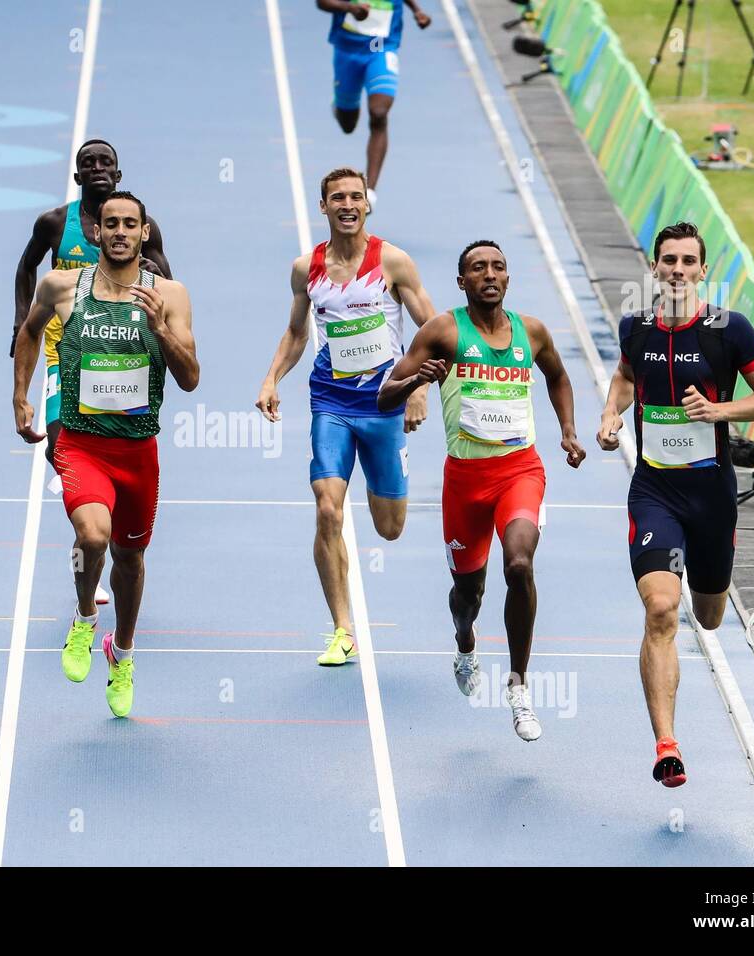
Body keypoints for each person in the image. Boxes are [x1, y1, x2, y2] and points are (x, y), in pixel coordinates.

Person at [597, 221, 754, 786]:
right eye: (668, 260)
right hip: (655, 490)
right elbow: (626, 377)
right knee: (660, 609)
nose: (677, 270)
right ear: (655, 267)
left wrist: (718, 413)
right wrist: (611, 415)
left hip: (712, 495)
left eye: (687, 262)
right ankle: (667, 745)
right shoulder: (636, 328)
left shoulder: (731, 330)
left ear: (703, 270)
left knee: (708, 615)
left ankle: (713, 566)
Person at [379, 240, 586, 740]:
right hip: (465, 483)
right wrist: (416, 382)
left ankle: (517, 684)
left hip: (520, 471)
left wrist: (567, 431)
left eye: (497, 267)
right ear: (462, 281)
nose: (488, 274)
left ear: (508, 278)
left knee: (519, 563)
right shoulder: (444, 331)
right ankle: (465, 641)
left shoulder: (531, 332)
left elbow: (558, 376)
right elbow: (386, 395)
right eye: (477, 268)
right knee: (467, 593)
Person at [13, 192, 198, 718]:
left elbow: (190, 379)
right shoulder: (62, 287)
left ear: (145, 234)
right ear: (95, 232)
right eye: (110, 223)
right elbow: (29, 332)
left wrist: (161, 329)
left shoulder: (172, 295)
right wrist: (20, 394)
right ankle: (84, 620)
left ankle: (124, 650)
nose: (119, 231)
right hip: (81, 443)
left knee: (131, 559)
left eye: (130, 224)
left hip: (138, 451)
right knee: (92, 535)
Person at [257, 167, 435, 667]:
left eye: (356, 196)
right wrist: (272, 378)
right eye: (338, 197)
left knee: (390, 527)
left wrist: (418, 385)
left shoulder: (393, 262)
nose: (348, 204)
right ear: (324, 207)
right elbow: (296, 333)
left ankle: (390, 478)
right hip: (330, 401)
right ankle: (342, 628)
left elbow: (434, 328)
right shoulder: (305, 268)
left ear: (367, 204)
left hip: (383, 405)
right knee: (328, 508)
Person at [12, 138, 172, 606]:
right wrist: (22, 320)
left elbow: (167, 278)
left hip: (123, 357)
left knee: (115, 456)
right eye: (88, 164)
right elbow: (26, 268)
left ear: (118, 174)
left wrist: (150, 279)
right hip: (68, 356)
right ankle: (87, 531)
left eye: (106, 163)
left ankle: (96, 514)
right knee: (61, 445)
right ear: (77, 175)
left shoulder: (142, 227)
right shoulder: (56, 223)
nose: (98, 169)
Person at [317, 0, 433, 209]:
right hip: (348, 49)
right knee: (348, 124)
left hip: (381, 47)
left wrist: (417, 10)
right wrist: (350, 8)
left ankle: (370, 190)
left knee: (379, 113)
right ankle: (340, 104)